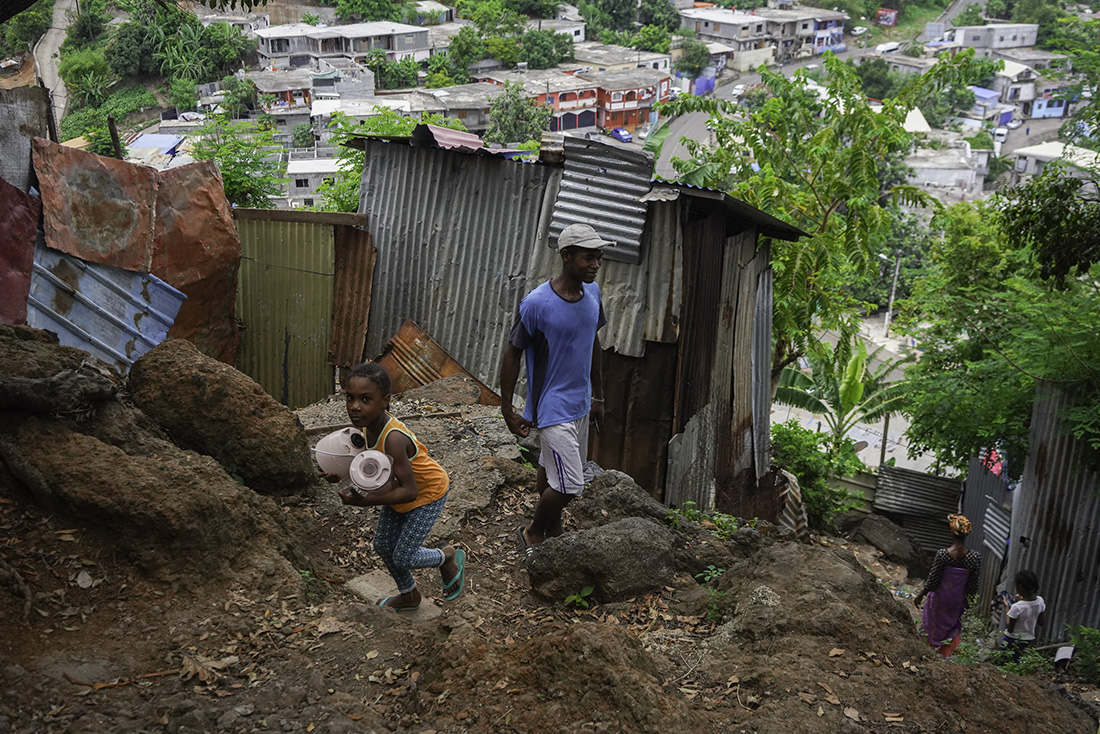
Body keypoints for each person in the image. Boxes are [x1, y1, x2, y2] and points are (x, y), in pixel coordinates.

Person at [500, 223, 610, 552]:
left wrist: (598, 396)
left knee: (550, 469)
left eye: (598, 258)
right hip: (552, 407)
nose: (595, 265)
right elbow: (512, 353)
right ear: (566, 256)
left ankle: (554, 526)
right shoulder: (537, 304)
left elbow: (593, 343)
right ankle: (533, 532)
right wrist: (507, 408)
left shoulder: (593, 293)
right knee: (571, 484)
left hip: (580, 403)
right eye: (588, 258)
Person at [321, 362, 464, 610]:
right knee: (383, 546)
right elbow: (370, 465)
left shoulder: (394, 438)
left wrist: (365, 502)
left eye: (366, 399)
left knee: (404, 555)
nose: (355, 407)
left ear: (385, 401)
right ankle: (409, 595)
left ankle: (447, 557)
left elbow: (411, 492)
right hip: (396, 491)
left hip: (427, 494)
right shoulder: (367, 428)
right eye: (350, 398)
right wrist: (341, 475)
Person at [913, 513, 981, 657]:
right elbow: (973, 584)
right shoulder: (975, 558)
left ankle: (926, 652)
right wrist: (968, 601)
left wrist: (920, 595)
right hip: (956, 601)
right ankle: (946, 654)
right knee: (951, 626)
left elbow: (933, 580)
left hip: (938, 599)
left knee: (931, 625)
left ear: (952, 531)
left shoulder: (943, 554)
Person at [1000, 569, 1046, 663]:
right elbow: (1041, 623)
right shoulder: (1040, 601)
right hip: (1028, 639)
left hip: (1011, 639)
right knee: (1018, 660)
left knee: (1003, 661)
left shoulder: (1016, 607)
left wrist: (1007, 608)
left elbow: (1010, 628)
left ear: (1020, 587)